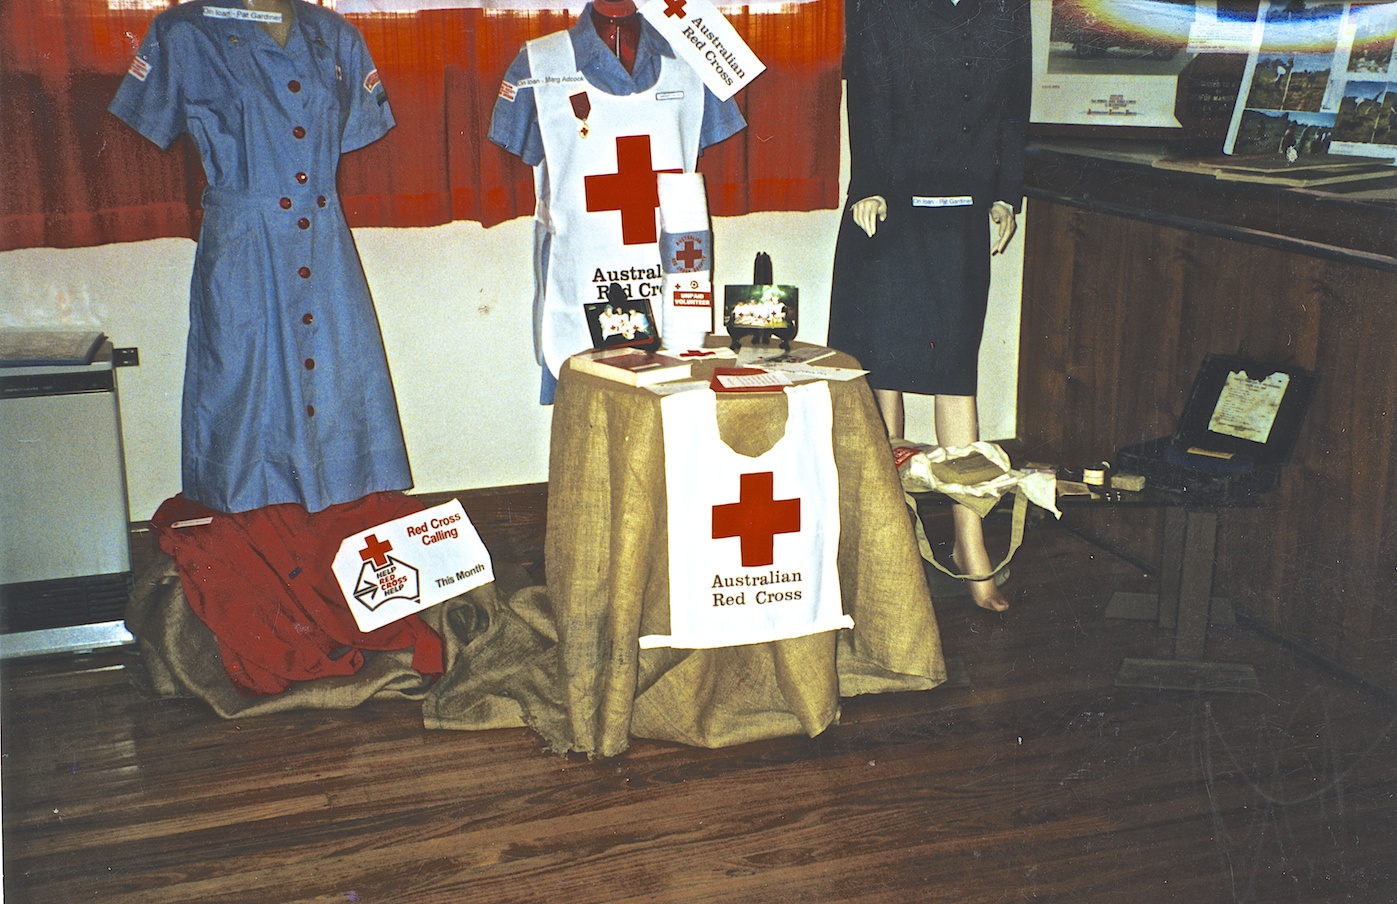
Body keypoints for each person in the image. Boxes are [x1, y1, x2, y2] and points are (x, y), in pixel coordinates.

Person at [108, 0, 412, 515]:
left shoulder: (336, 34)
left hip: (324, 238)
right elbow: (149, 116)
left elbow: (355, 124)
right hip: (242, 243)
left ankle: (333, 518)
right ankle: (248, 524)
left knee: (337, 377)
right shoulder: (182, 31)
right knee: (240, 378)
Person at [828, 0, 1031, 612]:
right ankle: (888, 548)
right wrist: (868, 184)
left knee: (955, 378)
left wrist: (1006, 193)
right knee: (882, 376)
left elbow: (1014, 97)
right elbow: (867, 90)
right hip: (889, 206)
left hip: (962, 211)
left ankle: (972, 546)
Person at [488, 0, 745, 403]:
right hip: (581, 273)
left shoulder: (693, 57)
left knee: (672, 405)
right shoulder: (538, 63)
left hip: (672, 284)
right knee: (587, 410)